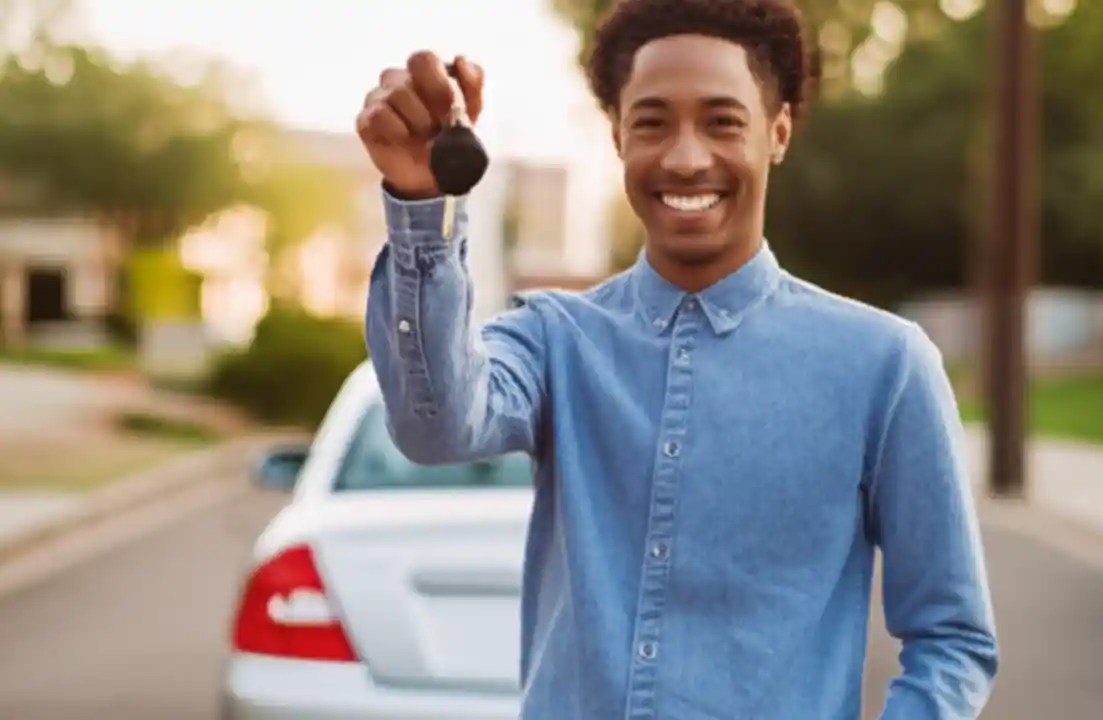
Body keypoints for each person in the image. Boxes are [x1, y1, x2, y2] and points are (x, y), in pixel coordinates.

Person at [357, 0, 998, 717]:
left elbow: (951, 635)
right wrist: (419, 200)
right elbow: (435, 428)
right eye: (653, 122)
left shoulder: (886, 366)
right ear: (618, 137)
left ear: (777, 132)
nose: (686, 157)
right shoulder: (552, 338)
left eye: (722, 122)